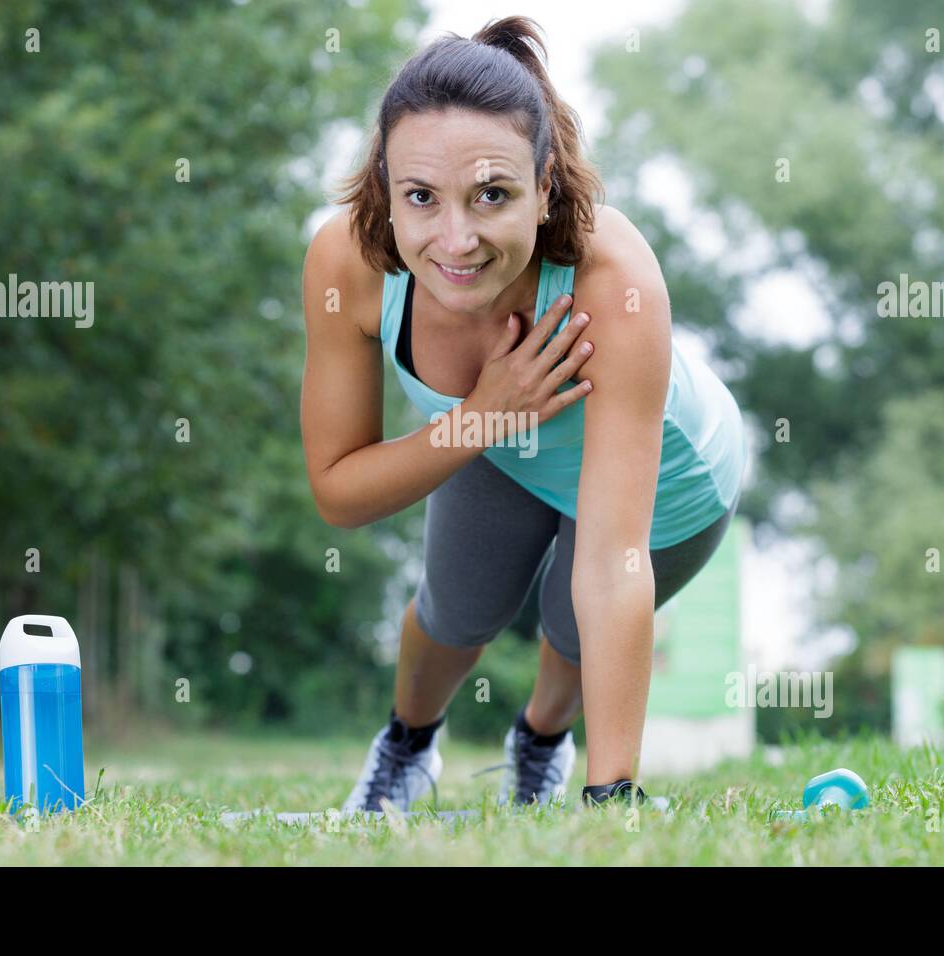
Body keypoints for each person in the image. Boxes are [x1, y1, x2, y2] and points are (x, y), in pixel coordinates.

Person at [300, 16, 745, 811]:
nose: (456, 239)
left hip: (673, 479)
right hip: (500, 439)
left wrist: (615, 797)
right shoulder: (347, 264)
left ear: (544, 188)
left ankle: (542, 743)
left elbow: (613, 565)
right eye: (422, 198)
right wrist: (483, 415)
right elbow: (339, 492)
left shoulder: (611, 278)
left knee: (572, 632)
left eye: (493, 195)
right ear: (384, 189)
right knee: (454, 608)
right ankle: (406, 749)